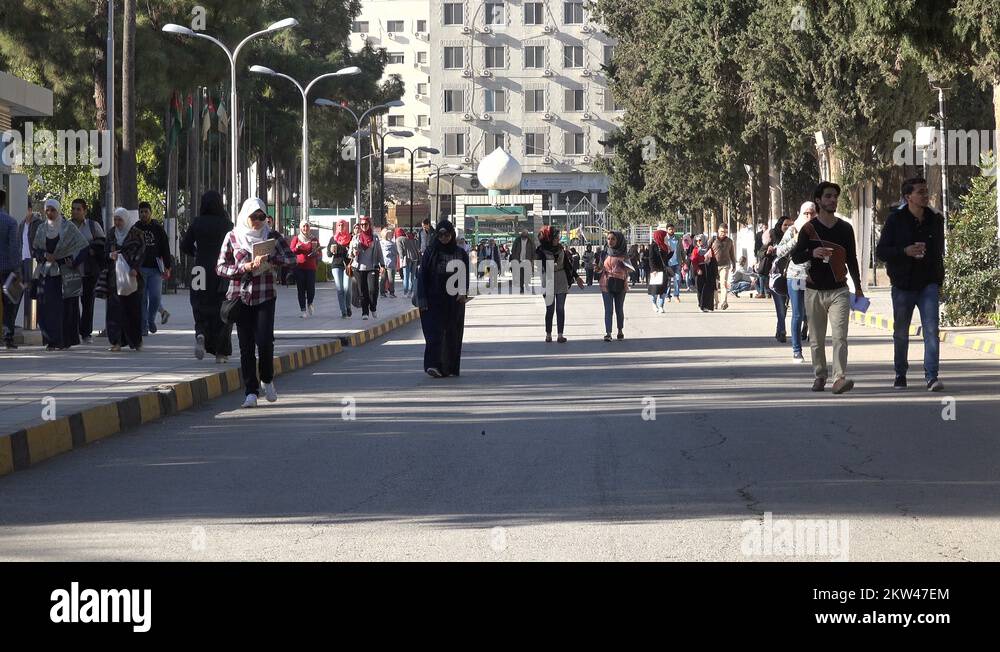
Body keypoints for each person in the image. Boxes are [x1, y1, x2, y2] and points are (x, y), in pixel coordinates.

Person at [216, 197, 296, 408]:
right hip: (241, 296)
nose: (258, 221)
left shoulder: (272, 236)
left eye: (262, 216)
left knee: (264, 341)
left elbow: (291, 259)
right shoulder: (233, 236)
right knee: (246, 345)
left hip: (265, 295)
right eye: (254, 217)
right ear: (245, 216)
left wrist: (270, 261)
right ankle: (250, 391)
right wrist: (245, 267)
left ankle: (267, 379)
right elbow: (220, 267)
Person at [791, 182, 865, 395]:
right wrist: (812, 254)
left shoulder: (845, 228)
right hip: (814, 291)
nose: (833, 200)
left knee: (840, 336)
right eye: (828, 196)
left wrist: (858, 288)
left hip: (839, 291)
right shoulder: (808, 229)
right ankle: (820, 375)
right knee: (816, 339)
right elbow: (796, 256)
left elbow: (851, 259)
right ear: (819, 200)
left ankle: (839, 378)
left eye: (835, 196)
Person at [876, 177, 945, 391]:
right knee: (901, 332)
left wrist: (938, 276)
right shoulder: (895, 220)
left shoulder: (935, 219)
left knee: (932, 330)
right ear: (908, 197)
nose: (925, 195)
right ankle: (900, 374)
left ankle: (931, 376)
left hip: (928, 284)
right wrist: (904, 251)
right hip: (903, 284)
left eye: (926, 191)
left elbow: (939, 251)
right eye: (920, 192)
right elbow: (881, 252)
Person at [180, 191, 233, 361]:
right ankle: (221, 352)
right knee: (222, 308)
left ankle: (201, 333)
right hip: (220, 270)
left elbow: (185, 245)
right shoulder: (227, 224)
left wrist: (197, 252)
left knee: (199, 303)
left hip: (199, 270)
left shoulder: (197, 222)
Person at [32, 199, 88, 350]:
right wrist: (44, 255)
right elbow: (35, 249)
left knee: (63, 308)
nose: (50, 213)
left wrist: (74, 263)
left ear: (58, 211)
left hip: (63, 273)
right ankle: (50, 340)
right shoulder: (42, 229)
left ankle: (63, 340)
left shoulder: (67, 227)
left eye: (53, 210)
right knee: (45, 307)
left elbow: (83, 246)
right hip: (46, 273)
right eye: (48, 210)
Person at [417, 219, 469, 377]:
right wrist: (422, 299)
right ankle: (433, 365)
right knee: (434, 333)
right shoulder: (431, 252)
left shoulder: (460, 253)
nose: (444, 238)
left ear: (452, 234)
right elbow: (422, 276)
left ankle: (449, 367)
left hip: (453, 301)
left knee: (452, 334)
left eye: (447, 234)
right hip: (433, 299)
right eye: (440, 235)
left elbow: (464, 274)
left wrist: (463, 292)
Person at [775, 202, 816, 362]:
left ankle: (815, 350)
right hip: (796, 276)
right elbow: (780, 251)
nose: (809, 216)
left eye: (812, 213)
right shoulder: (794, 230)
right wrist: (796, 239)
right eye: (806, 213)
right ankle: (797, 350)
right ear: (801, 214)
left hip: (815, 277)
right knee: (798, 313)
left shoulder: (820, 229)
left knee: (813, 314)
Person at [102, 207, 146, 351]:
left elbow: (142, 252)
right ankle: (116, 342)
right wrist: (110, 255)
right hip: (114, 277)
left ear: (126, 219)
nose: (117, 222)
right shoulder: (111, 234)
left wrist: (135, 267)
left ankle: (135, 341)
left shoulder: (137, 234)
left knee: (132, 309)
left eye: (120, 219)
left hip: (132, 276)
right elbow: (104, 252)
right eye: (115, 219)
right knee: (114, 309)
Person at [537, 225, 584, 343]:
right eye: (555, 237)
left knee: (560, 308)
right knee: (550, 309)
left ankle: (560, 335)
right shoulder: (541, 251)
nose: (558, 239)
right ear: (549, 238)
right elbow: (540, 266)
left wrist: (577, 277)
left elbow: (568, 265)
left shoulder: (561, 249)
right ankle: (548, 334)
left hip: (561, 278)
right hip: (548, 280)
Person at [67, 198, 105, 344]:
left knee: (88, 303)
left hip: (89, 270)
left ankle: (86, 333)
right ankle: (74, 331)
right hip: (71, 271)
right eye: (73, 208)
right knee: (72, 303)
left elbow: (102, 243)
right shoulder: (67, 226)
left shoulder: (92, 226)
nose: (75, 211)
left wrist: (92, 250)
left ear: (85, 211)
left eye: (78, 209)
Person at [134, 202, 172, 336]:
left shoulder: (158, 228)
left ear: (150, 212)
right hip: (140, 269)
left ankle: (151, 320)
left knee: (155, 297)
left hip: (155, 269)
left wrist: (168, 266)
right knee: (142, 299)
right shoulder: (136, 228)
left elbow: (165, 248)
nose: (143, 214)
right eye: (141, 212)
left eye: (146, 211)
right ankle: (143, 326)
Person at [349, 215, 385, 320]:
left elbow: (379, 252)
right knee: (362, 291)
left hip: (372, 267)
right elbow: (349, 253)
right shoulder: (356, 238)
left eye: (366, 224)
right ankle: (365, 312)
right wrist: (353, 252)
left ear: (369, 225)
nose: (364, 226)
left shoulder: (375, 238)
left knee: (373, 290)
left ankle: (373, 307)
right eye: (362, 224)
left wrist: (382, 265)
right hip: (359, 268)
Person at [765, 215, 794, 343]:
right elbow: (761, 252)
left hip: (794, 276)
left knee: (798, 307)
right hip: (777, 277)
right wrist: (768, 251)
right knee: (781, 307)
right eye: (785, 225)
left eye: (790, 225)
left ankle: (803, 328)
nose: (788, 228)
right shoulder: (773, 238)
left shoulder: (797, 237)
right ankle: (782, 331)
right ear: (780, 226)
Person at [597, 230, 629, 341]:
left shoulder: (624, 254)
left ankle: (620, 330)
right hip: (606, 284)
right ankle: (608, 333)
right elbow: (600, 267)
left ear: (618, 240)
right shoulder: (604, 253)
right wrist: (597, 268)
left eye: (613, 239)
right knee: (608, 310)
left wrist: (625, 267)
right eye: (608, 239)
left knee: (619, 309)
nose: (610, 241)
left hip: (620, 284)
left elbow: (629, 269)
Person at [290, 221, 321, 317]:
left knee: (311, 288)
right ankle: (303, 310)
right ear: (300, 227)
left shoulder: (314, 239)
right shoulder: (296, 238)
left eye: (307, 226)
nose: (305, 228)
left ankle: (310, 302)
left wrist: (316, 253)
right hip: (299, 267)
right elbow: (291, 251)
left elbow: (319, 252)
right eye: (303, 226)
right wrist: (296, 248)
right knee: (301, 289)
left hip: (311, 267)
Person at [1, 189, 19, 348]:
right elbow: (14, 248)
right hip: (7, 270)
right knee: (10, 304)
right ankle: (8, 337)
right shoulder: (11, 222)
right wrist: (17, 269)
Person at [326, 219, 353, 318]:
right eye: (339, 225)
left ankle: (348, 306)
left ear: (346, 226)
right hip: (336, 266)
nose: (341, 227)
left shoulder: (350, 238)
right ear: (337, 227)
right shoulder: (333, 239)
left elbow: (354, 253)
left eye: (343, 225)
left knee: (347, 289)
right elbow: (328, 254)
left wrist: (351, 252)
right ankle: (343, 311)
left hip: (347, 266)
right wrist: (331, 251)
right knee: (340, 289)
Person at [709, 224, 737, 310]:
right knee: (714, 285)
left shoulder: (729, 241)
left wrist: (734, 264)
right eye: (721, 232)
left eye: (725, 232)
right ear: (718, 231)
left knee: (723, 283)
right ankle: (715, 302)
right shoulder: (713, 240)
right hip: (714, 266)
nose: (723, 233)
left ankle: (724, 302)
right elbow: (707, 251)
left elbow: (732, 254)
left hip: (725, 265)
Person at [648, 229, 673, 313]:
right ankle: (654, 304)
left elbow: (665, 259)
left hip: (664, 270)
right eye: (664, 236)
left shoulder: (664, 246)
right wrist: (653, 270)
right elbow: (651, 259)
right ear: (660, 236)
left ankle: (661, 306)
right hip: (656, 271)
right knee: (655, 290)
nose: (666, 237)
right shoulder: (653, 246)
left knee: (663, 290)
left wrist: (671, 251)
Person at [690, 234, 715, 312]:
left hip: (708, 269)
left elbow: (713, 259)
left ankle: (707, 306)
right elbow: (693, 261)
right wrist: (697, 269)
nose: (698, 242)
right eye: (696, 241)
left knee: (708, 287)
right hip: (699, 270)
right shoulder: (695, 250)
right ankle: (701, 305)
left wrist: (709, 259)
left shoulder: (708, 248)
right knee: (700, 288)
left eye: (700, 240)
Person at [509, 229, 536, 293]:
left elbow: (533, 251)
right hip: (519, 260)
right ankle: (521, 287)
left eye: (525, 233)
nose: (524, 234)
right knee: (520, 274)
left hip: (527, 260)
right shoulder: (517, 240)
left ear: (527, 234)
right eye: (523, 233)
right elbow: (513, 250)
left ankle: (526, 284)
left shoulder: (530, 241)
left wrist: (533, 260)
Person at [396, 227, 418, 297]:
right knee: (412, 276)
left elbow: (400, 251)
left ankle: (406, 292)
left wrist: (401, 259)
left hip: (407, 259)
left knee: (406, 276)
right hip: (415, 258)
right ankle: (412, 291)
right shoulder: (408, 238)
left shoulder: (398, 239)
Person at [665, 224, 685, 302]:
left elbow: (682, 250)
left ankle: (676, 295)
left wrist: (684, 260)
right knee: (668, 281)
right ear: (667, 230)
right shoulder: (665, 239)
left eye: (672, 229)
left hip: (677, 262)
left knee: (677, 279)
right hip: (668, 263)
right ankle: (667, 296)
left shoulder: (678, 239)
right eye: (670, 229)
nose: (671, 231)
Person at [379, 226, 398, 298]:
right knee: (389, 279)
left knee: (385, 279)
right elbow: (395, 253)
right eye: (389, 233)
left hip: (385, 263)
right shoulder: (392, 244)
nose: (390, 235)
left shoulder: (381, 243)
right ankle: (390, 292)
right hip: (389, 263)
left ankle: (383, 293)